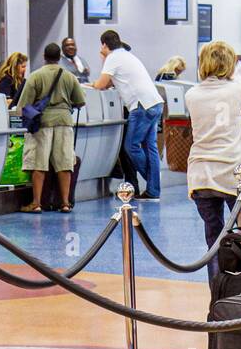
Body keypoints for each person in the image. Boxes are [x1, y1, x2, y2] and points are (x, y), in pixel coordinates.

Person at [186, 40, 241, 281]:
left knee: (213, 241)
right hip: (235, 173)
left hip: (201, 173)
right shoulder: (237, 90)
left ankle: (217, 299)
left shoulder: (191, 94)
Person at [93, 30, 164, 200]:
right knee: (150, 147)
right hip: (155, 103)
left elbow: (101, 84)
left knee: (131, 146)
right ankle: (153, 190)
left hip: (141, 106)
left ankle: (154, 182)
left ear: (104, 44)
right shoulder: (126, 55)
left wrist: (93, 82)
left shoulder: (113, 58)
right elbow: (113, 80)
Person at [16, 42, 87, 213]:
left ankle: (37, 203)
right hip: (64, 121)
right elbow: (80, 101)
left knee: (39, 164)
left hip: (42, 123)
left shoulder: (35, 76)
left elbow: (24, 105)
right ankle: (64, 202)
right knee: (64, 163)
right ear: (58, 57)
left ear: (44, 57)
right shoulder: (69, 76)